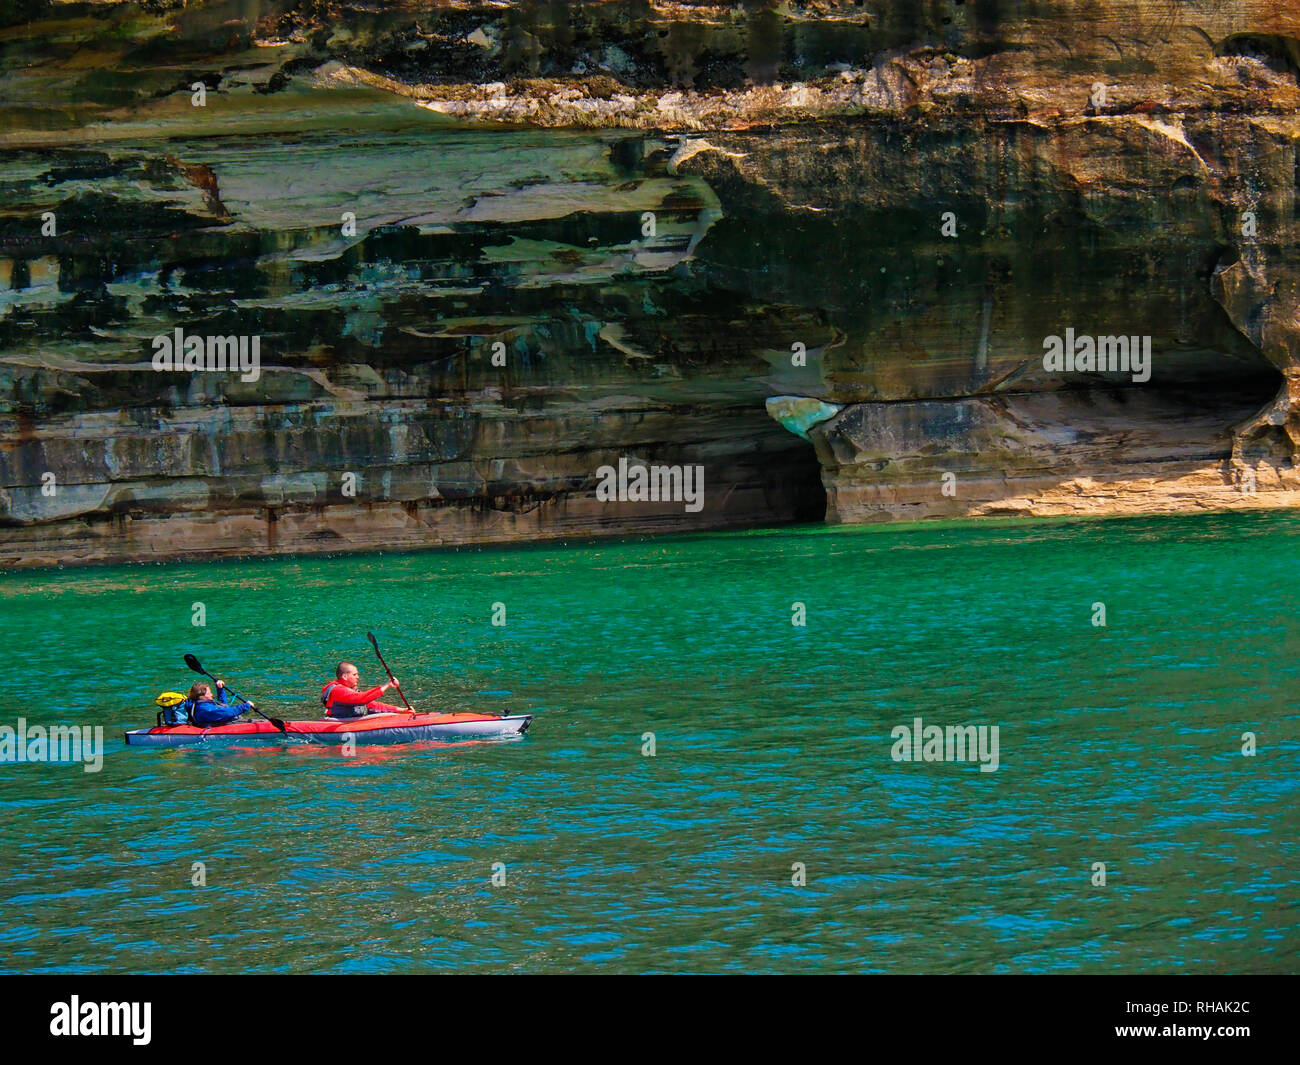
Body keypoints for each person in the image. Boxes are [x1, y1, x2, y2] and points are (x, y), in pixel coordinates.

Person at [321, 662, 402, 719]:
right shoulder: (337, 691)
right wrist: (387, 685)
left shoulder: (351, 690)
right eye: (354, 674)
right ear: (345, 676)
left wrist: (401, 710)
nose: (358, 677)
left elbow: (373, 705)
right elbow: (362, 699)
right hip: (338, 724)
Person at [185, 680, 256, 726]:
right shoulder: (204, 709)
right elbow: (226, 712)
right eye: (209, 693)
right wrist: (245, 706)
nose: (212, 694)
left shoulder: (203, 704)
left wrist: (220, 689)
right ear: (202, 696)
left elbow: (223, 706)